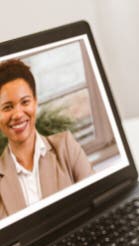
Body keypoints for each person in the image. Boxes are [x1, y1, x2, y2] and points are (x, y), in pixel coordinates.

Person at [0, 58, 93, 219]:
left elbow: (95, 200)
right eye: (7, 107)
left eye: (25, 102)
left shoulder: (66, 147)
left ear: (35, 102)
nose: (18, 114)